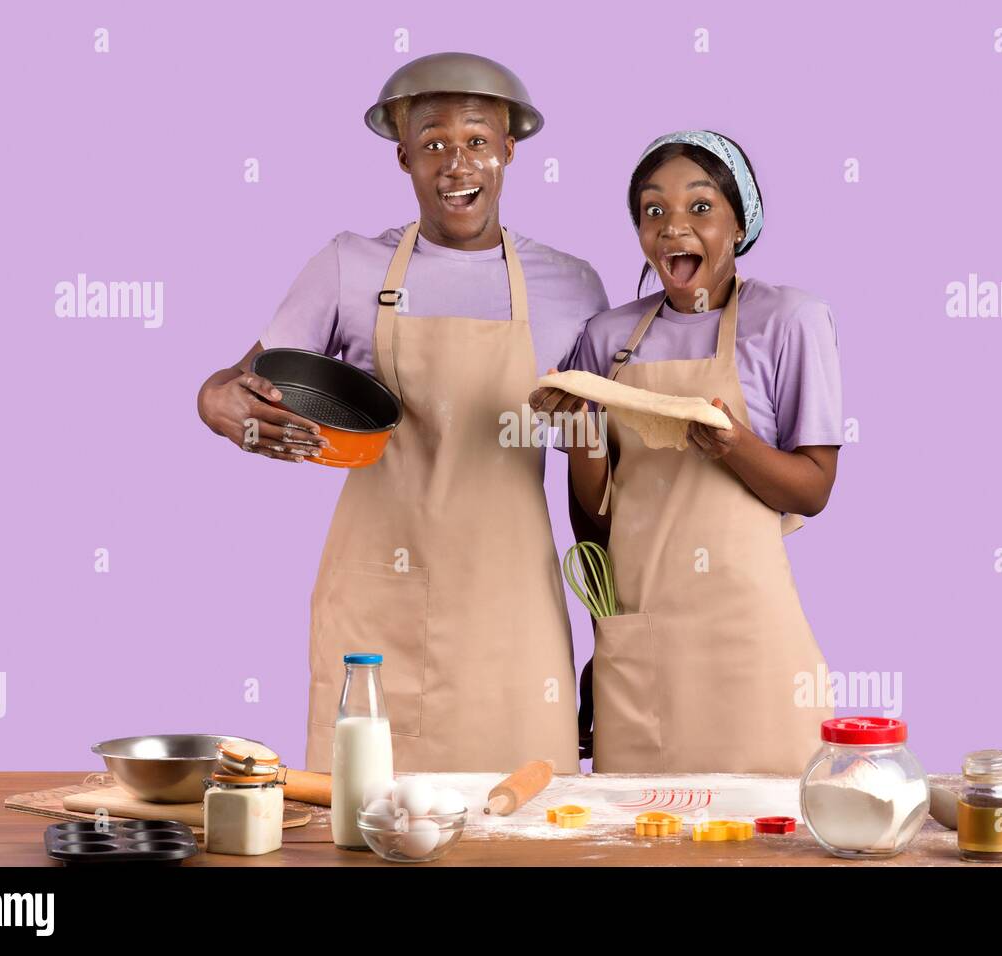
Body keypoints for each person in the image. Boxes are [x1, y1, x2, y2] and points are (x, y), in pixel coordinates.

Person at [196, 53, 608, 774]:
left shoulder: (571, 286)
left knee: (527, 823)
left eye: (477, 140)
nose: (457, 163)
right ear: (404, 157)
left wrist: (613, 621)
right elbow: (240, 381)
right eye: (434, 142)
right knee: (361, 814)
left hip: (512, 611)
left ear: (510, 151)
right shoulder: (349, 266)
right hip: (375, 602)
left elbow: (596, 460)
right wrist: (217, 402)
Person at [530, 130, 841, 774]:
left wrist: (734, 446)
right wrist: (585, 433)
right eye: (653, 211)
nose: (674, 228)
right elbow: (594, 522)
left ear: (739, 223)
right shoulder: (609, 336)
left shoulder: (790, 320)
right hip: (642, 635)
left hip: (748, 639)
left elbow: (812, 488)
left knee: (765, 835)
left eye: (700, 208)